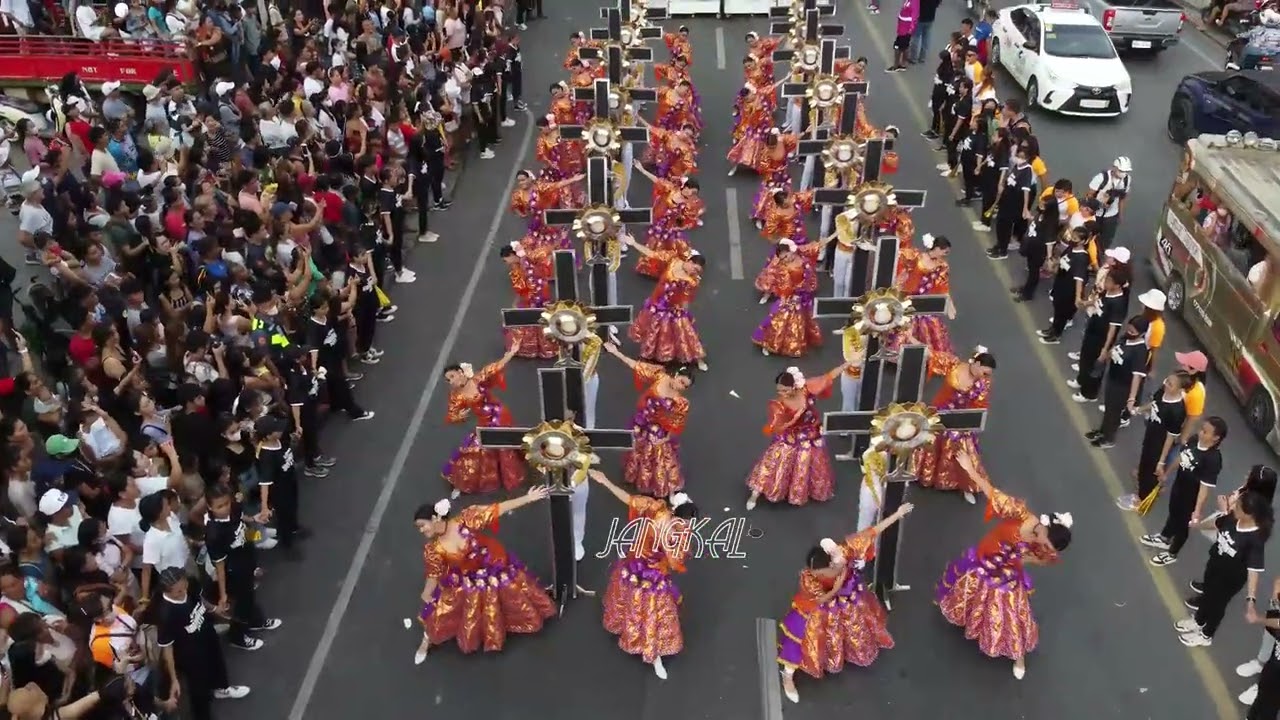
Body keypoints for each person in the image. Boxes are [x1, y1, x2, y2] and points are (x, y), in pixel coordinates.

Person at [941, 451, 1073, 679]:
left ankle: (1018, 655)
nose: (1044, 546)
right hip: (987, 558)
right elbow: (993, 494)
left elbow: (1044, 559)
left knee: (1011, 613)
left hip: (1008, 574)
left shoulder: (1044, 547)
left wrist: (1023, 560)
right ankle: (972, 622)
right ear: (1044, 529)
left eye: (1049, 548)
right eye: (1046, 543)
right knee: (973, 593)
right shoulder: (1022, 515)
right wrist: (970, 469)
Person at [778, 504, 913, 702]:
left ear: (830, 563)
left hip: (849, 600)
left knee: (852, 628)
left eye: (818, 572)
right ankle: (787, 675)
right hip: (820, 608)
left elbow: (872, 532)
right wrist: (836, 586)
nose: (813, 574)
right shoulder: (808, 579)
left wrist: (898, 513)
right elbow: (821, 599)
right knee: (803, 635)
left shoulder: (845, 550)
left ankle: (844, 651)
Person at [412, 486, 557, 663]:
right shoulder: (433, 550)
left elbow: (498, 509)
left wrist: (528, 498)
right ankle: (426, 640)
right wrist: (427, 593)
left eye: (422, 526)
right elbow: (433, 575)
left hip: (492, 567)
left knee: (509, 596)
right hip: (467, 580)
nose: (421, 531)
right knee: (443, 611)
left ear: (435, 518)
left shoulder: (467, 518)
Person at [590, 468, 697, 680]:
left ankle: (651, 650)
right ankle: (640, 641)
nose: (684, 529)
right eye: (682, 525)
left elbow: (678, 560)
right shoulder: (655, 509)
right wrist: (605, 482)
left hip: (655, 574)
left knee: (650, 612)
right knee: (637, 606)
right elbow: (630, 500)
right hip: (638, 567)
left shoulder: (682, 533)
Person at [1176, 491, 1272, 648]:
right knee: (1207, 594)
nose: (1233, 507)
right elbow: (1216, 523)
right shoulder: (1234, 518)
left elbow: (1253, 571)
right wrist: (1197, 525)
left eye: (1238, 506)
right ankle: (1198, 620)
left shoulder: (1255, 540)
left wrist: (1251, 601)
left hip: (1229, 579)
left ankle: (1206, 634)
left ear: (1248, 514)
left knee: (1217, 605)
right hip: (1215, 564)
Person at [745, 364, 845, 510]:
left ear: (794, 387)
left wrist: (848, 364)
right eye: (779, 390)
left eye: (785, 390)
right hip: (790, 438)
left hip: (810, 434)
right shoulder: (779, 405)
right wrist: (790, 419)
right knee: (775, 464)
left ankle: (802, 491)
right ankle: (755, 493)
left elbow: (828, 377)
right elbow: (774, 426)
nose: (782, 393)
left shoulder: (807, 389)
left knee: (810, 463)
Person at [154, 568, 250, 719]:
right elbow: (167, 647)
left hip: (205, 633)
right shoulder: (166, 613)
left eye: (184, 586)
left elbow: (200, 601)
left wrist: (215, 609)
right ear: (168, 592)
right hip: (189, 654)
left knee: (217, 662)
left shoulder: (189, 585)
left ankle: (221, 688)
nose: (183, 591)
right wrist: (174, 679)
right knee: (199, 690)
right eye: (178, 591)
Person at [602, 342, 694, 497]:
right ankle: (637, 476)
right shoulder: (659, 375)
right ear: (676, 375)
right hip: (642, 422)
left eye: (685, 386)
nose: (681, 387)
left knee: (659, 457)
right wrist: (616, 352)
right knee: (638, 451)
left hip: (658, 430)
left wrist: (666, 437)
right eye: (682, 382)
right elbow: (637, 366)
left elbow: (677, 422)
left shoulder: (681, 402)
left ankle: (663, 484)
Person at [441, 344, 528, 497]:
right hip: (484, 423)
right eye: (448, 380)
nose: (451, 382)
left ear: (461, 372)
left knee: (504, 447)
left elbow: (495, 367)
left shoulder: (477, 379)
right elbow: (451, 415)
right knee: (476, 451)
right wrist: (459, 416)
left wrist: (511, 353)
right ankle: (467, 481)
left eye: (452, 376)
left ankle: (510, 475)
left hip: (500, 415)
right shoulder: (456, 397)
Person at [1143, 417, 1228, 566]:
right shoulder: (1194, 440)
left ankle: (1172, 552)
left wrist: (1197, 510)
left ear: (1216, 438)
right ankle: (1165, 537)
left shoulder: (1213, 459)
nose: (1201, 433)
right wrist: (1166, 474)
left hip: (1191, 497)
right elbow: (1181, 458)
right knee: (1173, 512)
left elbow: (1205, 487)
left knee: (1183, 525)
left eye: (1206, 432)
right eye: (1201, 429)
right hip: (1179, 486)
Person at [915, 348, 996, 504]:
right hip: (940, 412)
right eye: (984, 372)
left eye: (988, 375)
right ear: (977, 364)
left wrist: (967, 424)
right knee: (927, 443)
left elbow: (980, 405)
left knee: (963, 452)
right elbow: (933, 354)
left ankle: (967, 487)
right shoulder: (954, 364)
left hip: (961, 420)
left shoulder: (983, 383)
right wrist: (911, 339)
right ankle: (920, 473)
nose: (985, 377)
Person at [625, 237, 709, 370]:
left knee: (685, 333)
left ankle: (698, 359)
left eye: (698, 271)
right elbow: (653, 254)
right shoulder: (673, 259)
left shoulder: (691, 281)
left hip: (673, 308)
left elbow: (687, 299)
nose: (694, 271)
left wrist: (685, 313)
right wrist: (634, 243)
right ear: (689, 261)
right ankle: (653, 354)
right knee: (654, 331)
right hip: (656, 303)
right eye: (695, 267)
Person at [1115, 371, 1192, 512]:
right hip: (1150, 435)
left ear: (1180, 390)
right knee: (1143, 466)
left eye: (1170, 384)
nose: (1166, 385)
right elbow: (1154, 404)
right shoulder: (1162, 392)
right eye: (1167, 381)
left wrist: (1161, 461)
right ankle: (1140, 492)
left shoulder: (1178, 411)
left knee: (1151, 473)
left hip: (1159, 445)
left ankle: (1142, 501)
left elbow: (1170, 436)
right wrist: (1138, 409)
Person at [883, 233, 956, 357]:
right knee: (904, 328)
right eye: (945, 252)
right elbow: (903, 274)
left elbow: (943, 286)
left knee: (930, 328)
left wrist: (949, 304)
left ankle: (925, 355)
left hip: (925, 303)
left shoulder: (942, 266)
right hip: (908, 300)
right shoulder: (916, 258)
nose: (945, 255)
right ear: (937, 249)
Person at [1066, 265, 1130, 403]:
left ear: (1117, 285)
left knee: (1094, 366)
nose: (1105, 282)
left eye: (1109, 281)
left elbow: (1113, 328)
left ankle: (1089, 393)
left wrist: (1105, 348)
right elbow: (1096, 302)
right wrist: (1084, 303)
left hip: (1101, 339)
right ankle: (1081, 380)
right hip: (1092, 330)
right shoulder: (1106, 293)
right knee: (1084, 358)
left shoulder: (1119, 303)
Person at [1085, 315, 1149, 449]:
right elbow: (1115, 350)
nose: (1129, 333)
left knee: (1113, 413)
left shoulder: (1140, 351)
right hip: (1112, 379)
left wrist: (1131, 398)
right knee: (1108, 409)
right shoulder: (1125, 339)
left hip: (1122, 387)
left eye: (1133, 332)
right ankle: (1102, 431)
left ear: (1141, 333)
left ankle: (1109, 438)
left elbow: (1137, 376)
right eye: (1129, 329)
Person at [752, 240, 823, 358]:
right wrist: (788, 297)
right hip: (790, 297)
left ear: (791, 251)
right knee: (778, 321)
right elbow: (784, 285)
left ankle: (793, 346)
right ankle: (768, 344)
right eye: (782, 258)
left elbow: (812, 249)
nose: (785, 259)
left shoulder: (801, 256)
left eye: (786, 256)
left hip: (802, 296)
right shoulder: (783, 267)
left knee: (799, 322)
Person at [1087, 156, 1132, 253]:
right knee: (1089, 237)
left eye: (1126, 171)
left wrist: (1120, 215)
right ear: (1114, 168)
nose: (1123, 173)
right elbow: (1089, 195)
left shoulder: (1127, 180)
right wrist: (1098, 203)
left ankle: (1100, 256)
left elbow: (1123, 198)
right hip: (1095, 214)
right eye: (1121, 170)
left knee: (1106, 241)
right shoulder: (1101, 178)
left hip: (1111, 215)